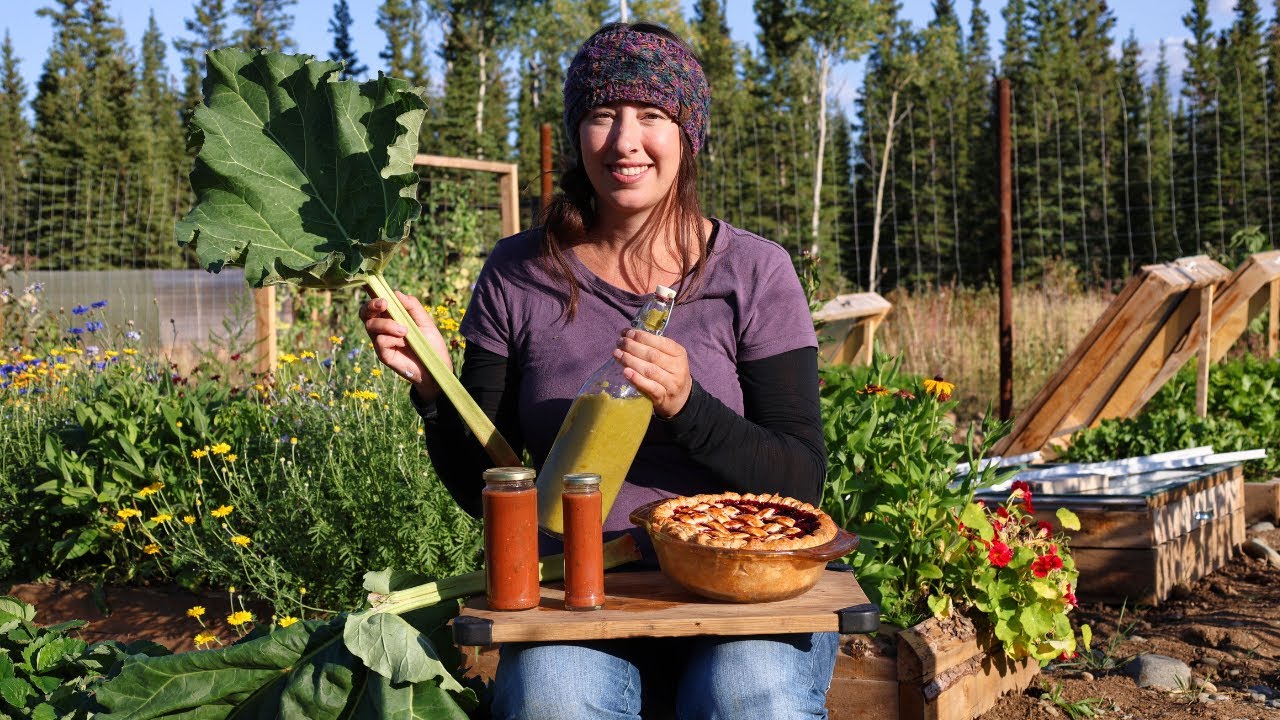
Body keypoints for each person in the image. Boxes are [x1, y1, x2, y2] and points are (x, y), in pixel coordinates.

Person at [361, 21, 834, 719]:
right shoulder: (518, 274)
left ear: (688, 133)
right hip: (570, 595)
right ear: (577, 131)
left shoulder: (754, 272)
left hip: (739, 588)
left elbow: (801, 477)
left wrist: (688, 406)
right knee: (555, 700)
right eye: (602, 114)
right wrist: (435, 392)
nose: (624, 141)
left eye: (652, 115)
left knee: (751, 695)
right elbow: (489, 483)